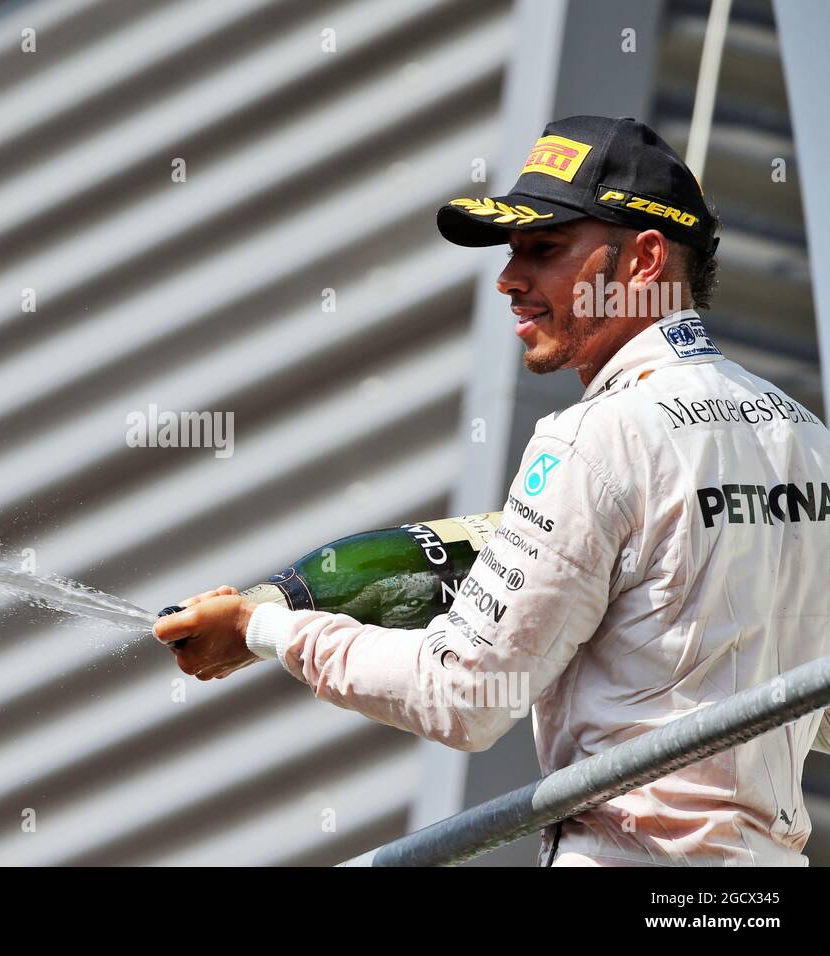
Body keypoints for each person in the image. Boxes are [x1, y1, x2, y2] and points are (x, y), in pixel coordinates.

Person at [153, 115, 830, 866]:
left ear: (643, 259)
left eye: (545, 251)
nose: (510, 280)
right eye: (512, 255)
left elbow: (464, 698)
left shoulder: (592, 440)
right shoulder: (806, 436)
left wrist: (261, 629)